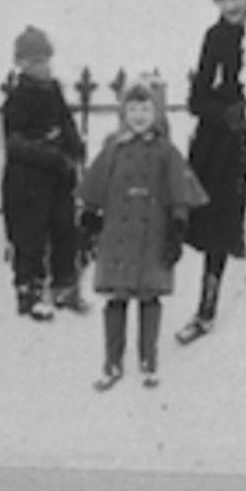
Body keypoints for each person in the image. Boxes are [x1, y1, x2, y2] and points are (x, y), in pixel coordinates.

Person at [79, 77, 208, 390]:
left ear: (157, 112)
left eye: (146, 109)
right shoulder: (113, 148)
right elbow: (94, 186)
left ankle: (149, 360)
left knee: (150, 297)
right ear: (123, 112)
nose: (139, 116)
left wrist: (177, 227)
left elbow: (179, 192)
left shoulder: (167, 152)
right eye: (133, 109)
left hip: (153, 236)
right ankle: (112, 362)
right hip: (118, 235)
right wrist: (90, 215)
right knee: (117, 297)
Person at [177, 0, 246, 345]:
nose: (230, 6)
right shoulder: (215, 37)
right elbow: (197, 98)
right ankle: (206, 308)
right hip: (226, 143)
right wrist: (226, 113)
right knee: (220, 229)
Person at [2, 26, 87, 321]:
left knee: (65, 230)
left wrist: (74, 147)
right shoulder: (18, 98)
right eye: (36, 61)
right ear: (22, 64)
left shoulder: (53, 92)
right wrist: (49, 152)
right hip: (28, 183)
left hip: (57, 180)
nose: (43, 67)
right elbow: (15, 143)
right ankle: (30, 290)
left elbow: (66, 123)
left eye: (45, 60)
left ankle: (65, 285)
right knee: (30, 238)